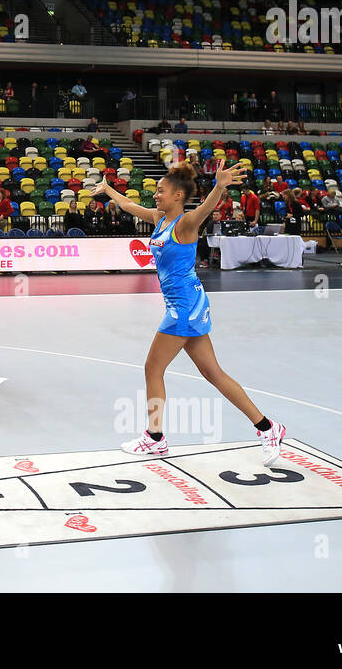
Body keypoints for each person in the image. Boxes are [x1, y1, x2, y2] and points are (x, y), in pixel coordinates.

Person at [93, 160, 287, 465]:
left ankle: (154, 438)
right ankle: (268, 427)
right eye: (156, 191)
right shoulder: (159, 218)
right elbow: (130, 205)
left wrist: (219, 186)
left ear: (178, 197)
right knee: (213, 373)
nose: (155, 195)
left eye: (161, 191)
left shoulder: (185, 224)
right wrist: (108, 190)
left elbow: (204, 210)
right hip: (188, 304)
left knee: (152, 369)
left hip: (183, 308)